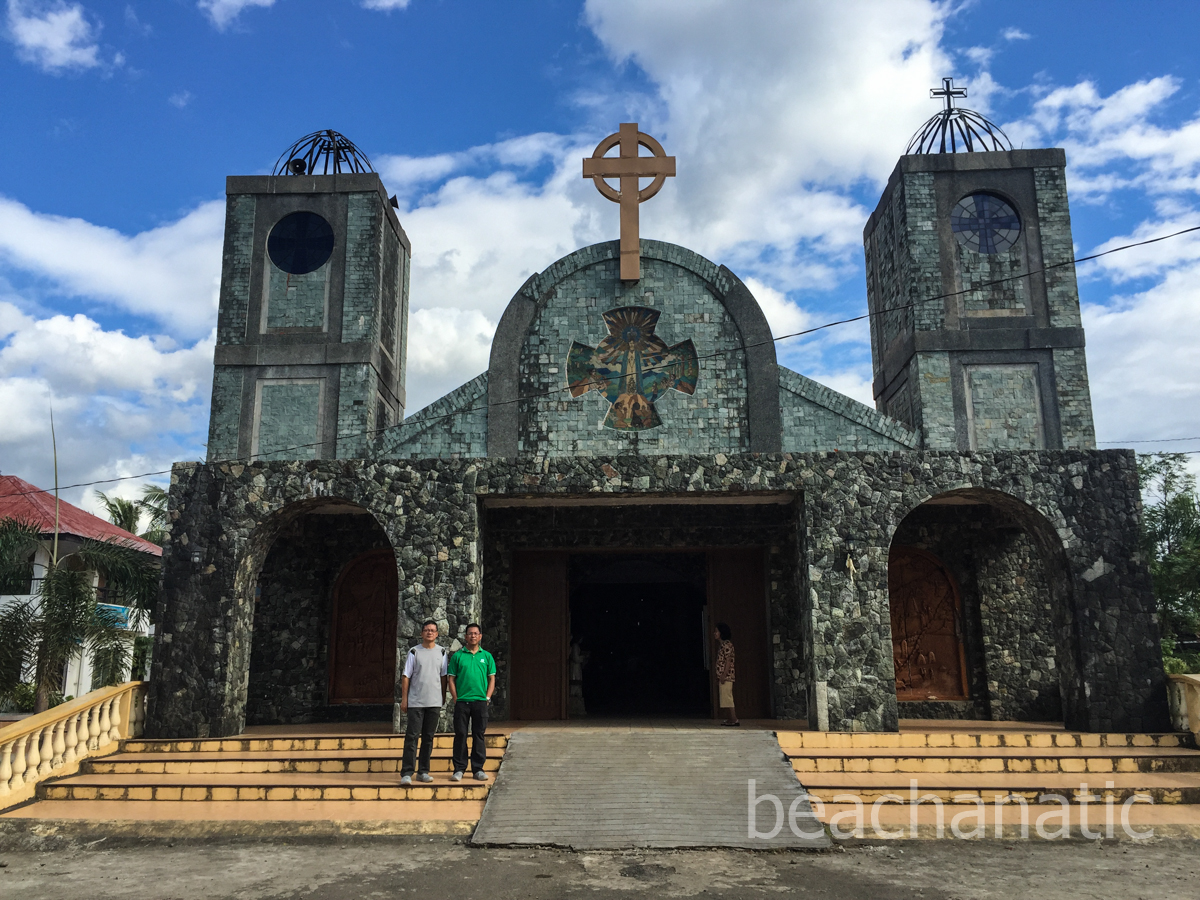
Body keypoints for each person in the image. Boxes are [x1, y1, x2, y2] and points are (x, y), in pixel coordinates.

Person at [399, 620, 448, 785]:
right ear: (422, 633)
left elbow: (443, 677)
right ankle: (407, 772)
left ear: (437, 634)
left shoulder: (442, 652)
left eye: (433, 630)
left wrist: (442, 696)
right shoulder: (414, 652)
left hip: (433, 702)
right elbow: (406, 676)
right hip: (416, 702)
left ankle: (423, 771)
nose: (430, 633)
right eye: (426, 630)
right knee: (412, 737)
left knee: (428, 737)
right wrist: (404, 699)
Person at [448, 622, 496, 781]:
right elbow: (451, 679)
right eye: (470, 633)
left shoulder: (486, 656)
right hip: (462, 702)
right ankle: (459, 769)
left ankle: (478, 769)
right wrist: (455, 697)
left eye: (476, 633)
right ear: (465, 636)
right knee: (461, 734)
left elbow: (492, 678)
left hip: (480, 702)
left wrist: (487, 697)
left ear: (480, 636)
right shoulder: (458, 656)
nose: (473, 636)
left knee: (479, 735)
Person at [714, 622, 739, 726]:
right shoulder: (722, 645)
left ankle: (734, 719)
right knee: (725, 697)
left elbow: (728, 661)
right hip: (723, 676)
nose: (714, 633)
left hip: (727, 676)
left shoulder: (727, 645)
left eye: (716, 631)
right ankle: (730, 718)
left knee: (728, 697)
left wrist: (724, 674)